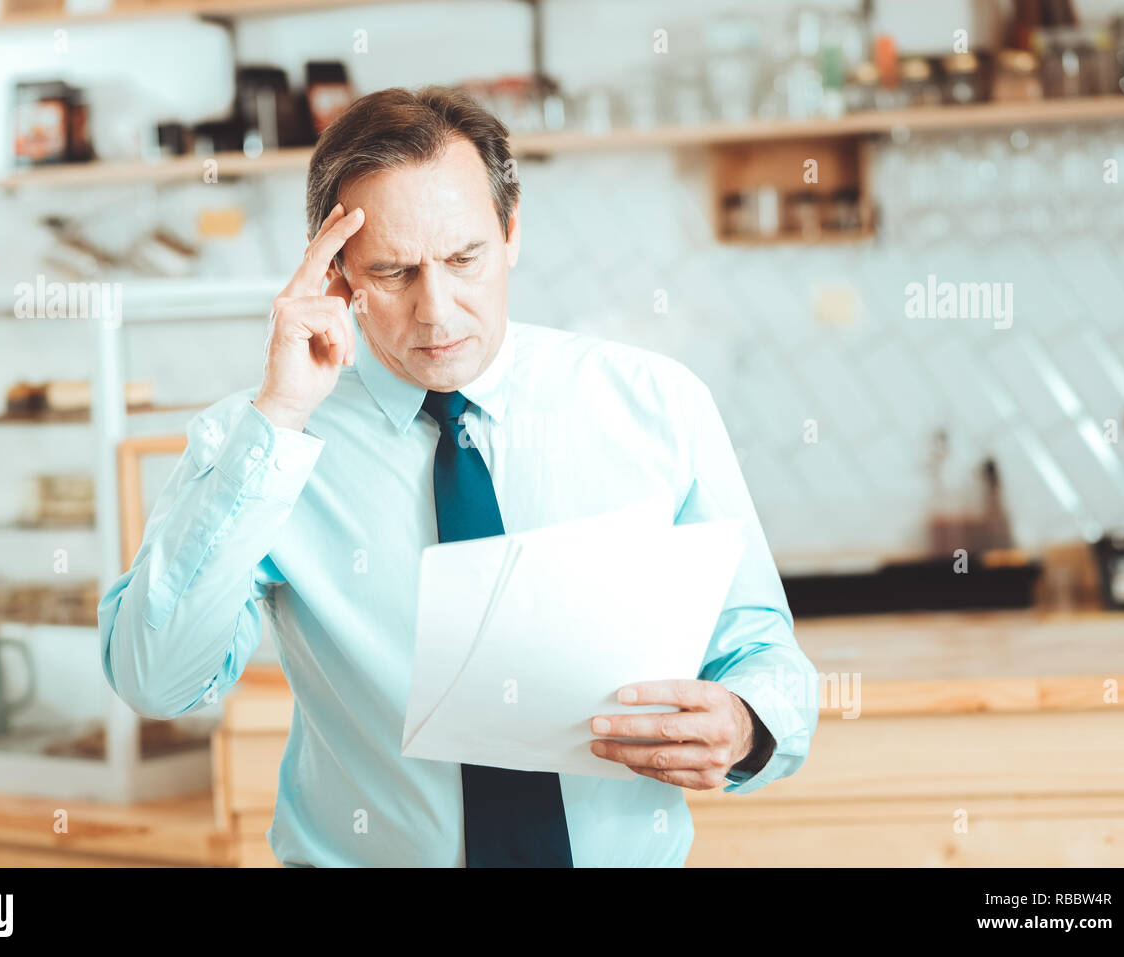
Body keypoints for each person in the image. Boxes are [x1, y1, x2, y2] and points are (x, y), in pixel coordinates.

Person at [98, 85, 818, 867]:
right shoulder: (261, 439)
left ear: (511, 234)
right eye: (393, 271)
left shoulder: (655, 405)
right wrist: (276, 419)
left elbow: (763, 650)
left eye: (465, 258)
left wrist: (747, 724)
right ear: (336, 273)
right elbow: (156, 680)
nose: (436, 310)